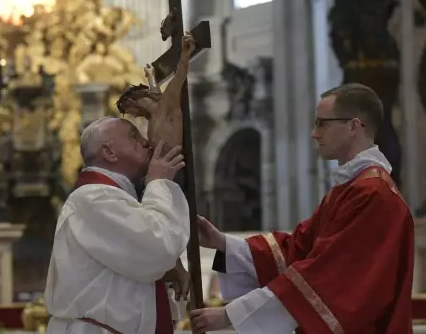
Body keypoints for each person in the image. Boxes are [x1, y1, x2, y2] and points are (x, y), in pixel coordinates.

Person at [190, 83, 414, 333]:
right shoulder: (353, 187)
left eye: (322, 123)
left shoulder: (372, 194)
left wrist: (230, 315)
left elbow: (324, 277)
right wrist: (222, 243)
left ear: (354, 126)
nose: (314, 134)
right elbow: (298, 249)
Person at [45, 117, 191, 334]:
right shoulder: (94, 197)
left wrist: (167, 267)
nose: (146, 142)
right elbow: (159, 249)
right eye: (134, 136)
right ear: (109, 152)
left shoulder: (108, 198)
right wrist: (160, 182)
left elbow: (141, 259)